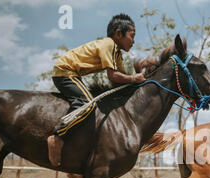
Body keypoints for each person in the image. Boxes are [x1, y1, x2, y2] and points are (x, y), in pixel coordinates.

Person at [47, 13, 146, 167]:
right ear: (119, 33)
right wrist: (134, 79)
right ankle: (58, 136)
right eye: (132, 36)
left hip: (73, 74)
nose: (133, 41)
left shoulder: (117, 53)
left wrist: (137, 78)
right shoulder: (108, 44)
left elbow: (121, 80)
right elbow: (113, 76)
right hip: (65, 71)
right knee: (86, 102)